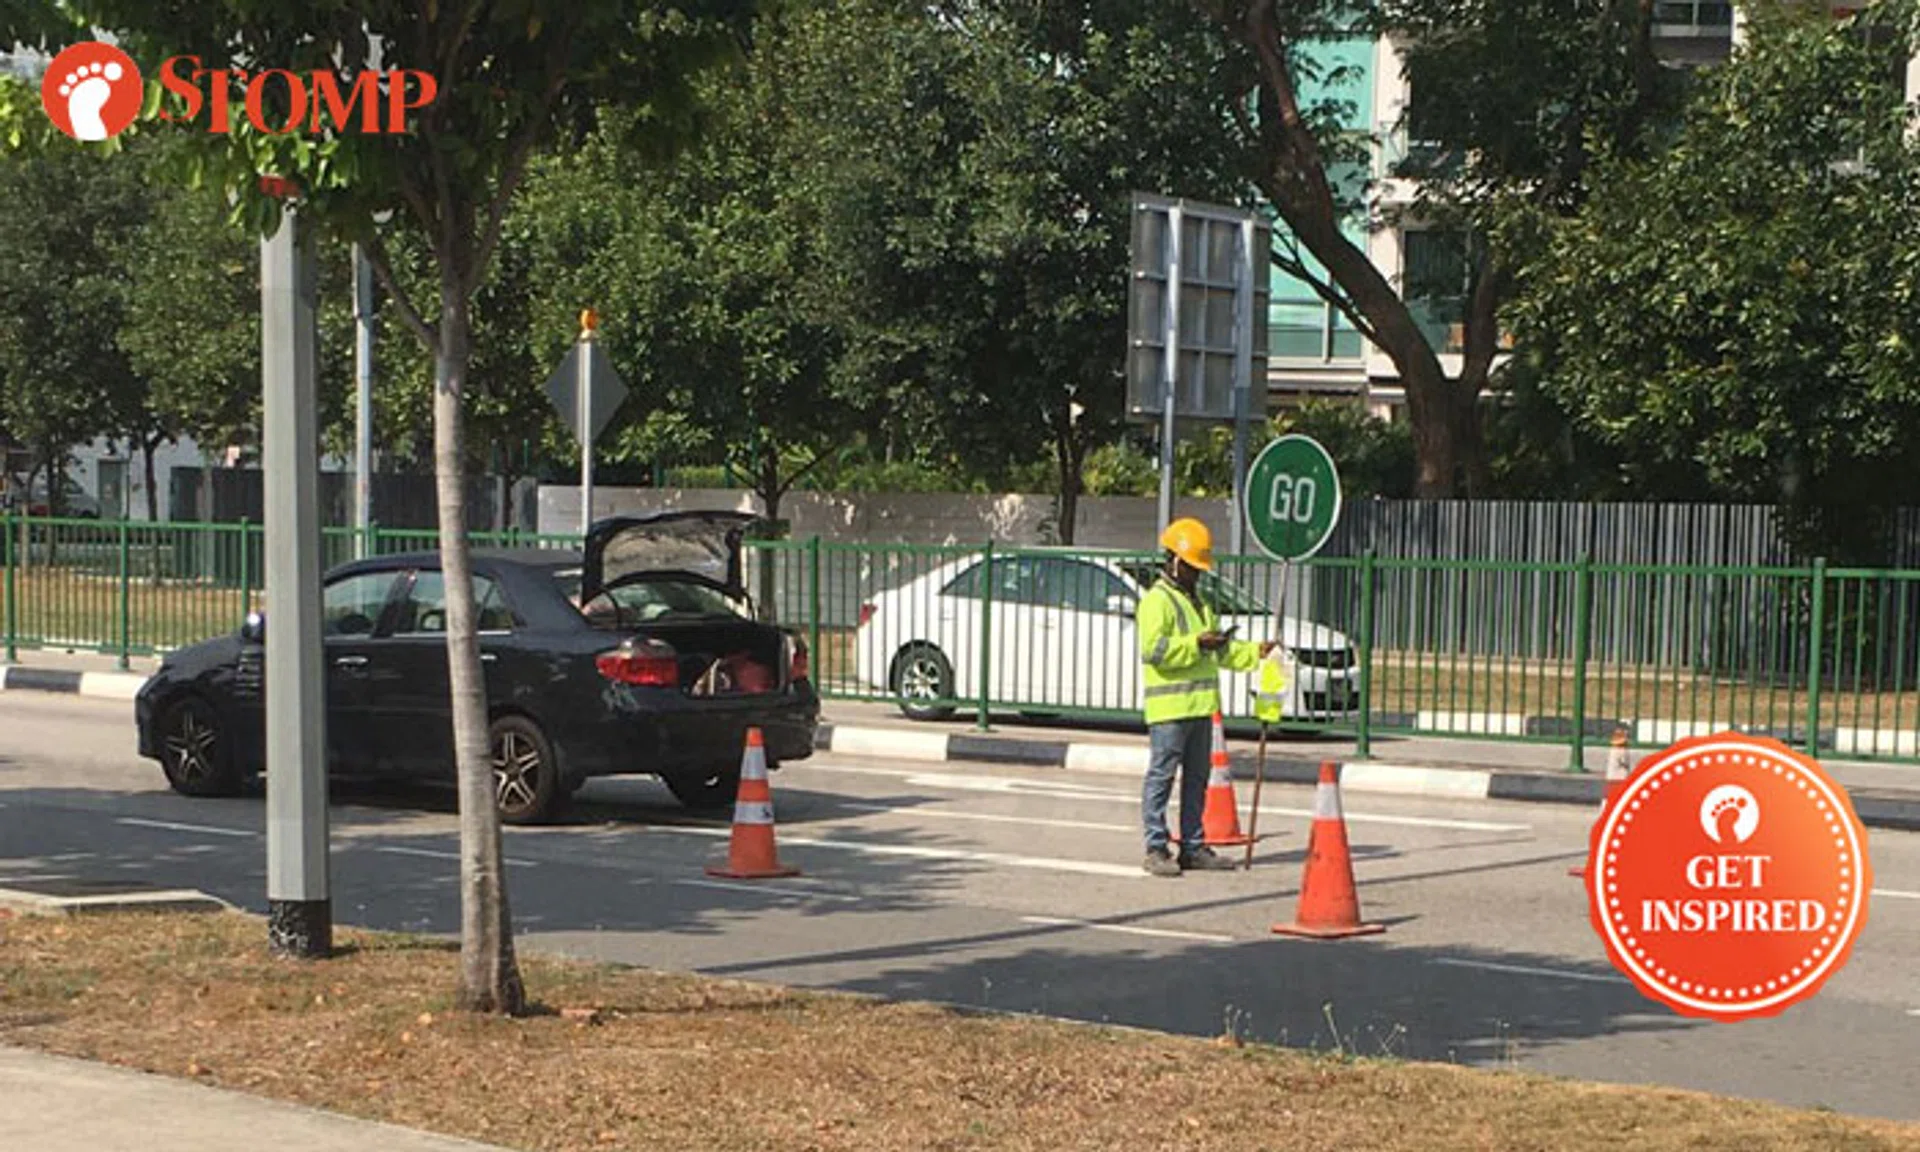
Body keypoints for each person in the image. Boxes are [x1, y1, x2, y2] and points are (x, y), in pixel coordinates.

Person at [1136, 517, 1277, 877]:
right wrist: (1196, 644)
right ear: (1175, 561)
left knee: (1197, 780)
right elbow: (1153, 650)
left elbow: (1221, 652)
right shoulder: (1157, 602)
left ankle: (1192, 846)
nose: (1198, 575)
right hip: (1169, 709)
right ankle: (1155, 847)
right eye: (1193, 568)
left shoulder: (1200, 605)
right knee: (1162, 777)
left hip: (1201, 708)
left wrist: (1255, 653)